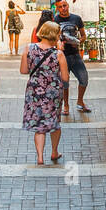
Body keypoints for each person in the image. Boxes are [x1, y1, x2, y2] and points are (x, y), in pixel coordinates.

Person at [21, 20, 68, 165]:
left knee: (39, 125)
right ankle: (54, 152)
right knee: (54, 122)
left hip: (34, 91)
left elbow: (23, 70)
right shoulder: (58, 54)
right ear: (54, 36)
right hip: (52, 93)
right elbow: (65, 78)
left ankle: (40, 157)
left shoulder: (28, 48)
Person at [33, 0, 89, 115]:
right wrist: (59, 43)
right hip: (61, 56)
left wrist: (78, 41)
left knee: (84, 78)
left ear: (68, 5)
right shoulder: (55, 21)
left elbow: (84, 35)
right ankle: (66, 105)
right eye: (60, 7)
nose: (63, 8)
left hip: (75, 54)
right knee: (65, 83)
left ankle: (80, 101)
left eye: (65, 5)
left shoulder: (77, 18)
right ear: (57, 9)